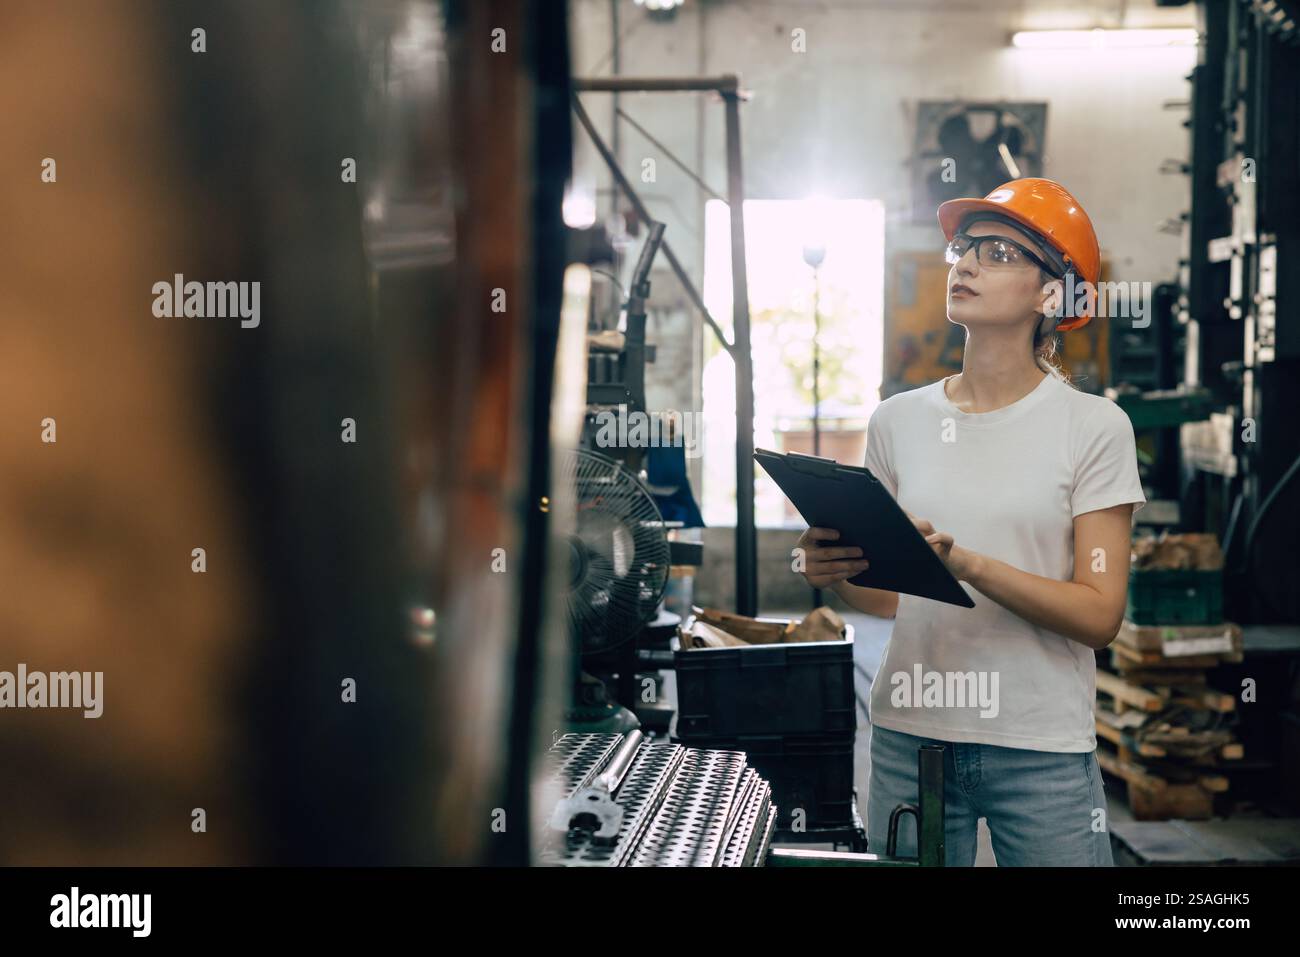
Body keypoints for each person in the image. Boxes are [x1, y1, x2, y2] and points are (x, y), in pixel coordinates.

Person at [795, 178, 1146, 866]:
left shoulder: (1095, 428)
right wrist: (837, 573)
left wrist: (970, 563)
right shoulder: (897, 419)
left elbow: (1100, 612)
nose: (966, 263)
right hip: (910, 731)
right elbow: (892, 595)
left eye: (998, 252)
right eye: (963, 247)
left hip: (1038, 745)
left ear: (1053, 294)